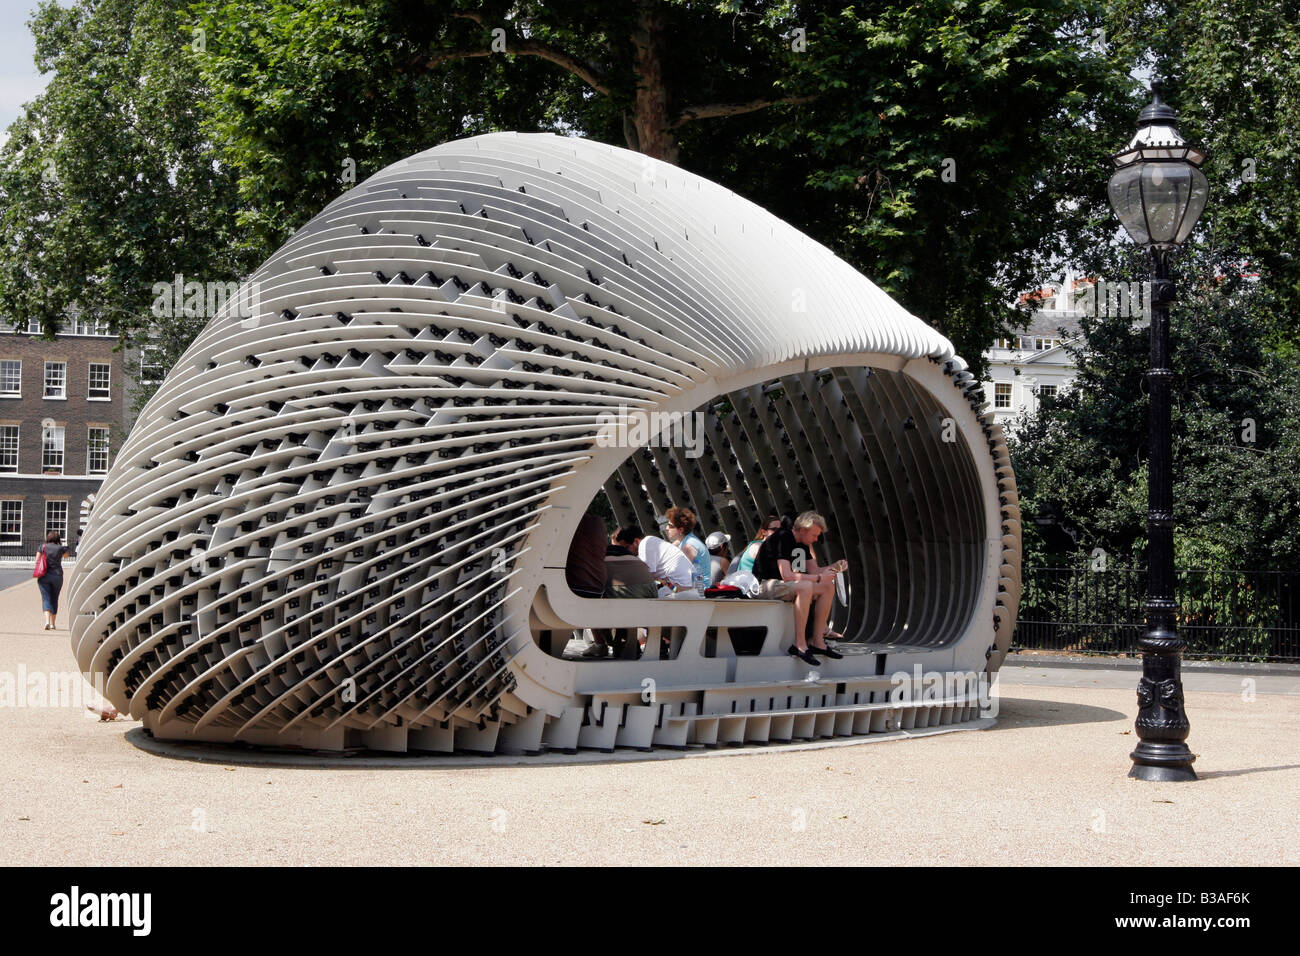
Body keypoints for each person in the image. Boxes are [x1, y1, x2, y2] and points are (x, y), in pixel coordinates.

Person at [752, 511, 849, 665]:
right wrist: (817, 578)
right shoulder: (783, 537)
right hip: (764, 585)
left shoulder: (803, 544)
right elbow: (787, 575)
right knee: (805, 586)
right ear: (802, 530)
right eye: (814, 535)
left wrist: (835, 566)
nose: (816, 539)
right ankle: (799, 643)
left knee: (827, 587)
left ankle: (817, 641)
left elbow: (815, 571)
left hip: (784, 586)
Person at [597, 525, 659, 658]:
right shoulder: (637, 560)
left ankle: (604, 645)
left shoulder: (600, 559)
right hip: (647, 593)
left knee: (599, 607)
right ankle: (650, 645)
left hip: (617, 600)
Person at [663, 506, 710, 594]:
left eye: (670, 526)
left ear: (681, 529)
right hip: (693, 589)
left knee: (664, 588)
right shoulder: (685, 540)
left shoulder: (688, 546)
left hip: (699, 593)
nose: (667, 528)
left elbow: (678, 574)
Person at [637, 533, 697, 598]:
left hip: (679, 586)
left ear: (636, 541)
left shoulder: (645, 545)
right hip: (688, 582)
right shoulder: (653, 541)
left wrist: (661, 581)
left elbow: (647, 576)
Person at [36, 531, 71, 630]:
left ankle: (46, 621)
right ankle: (52, 624)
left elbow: (37, 561)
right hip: (57, 575)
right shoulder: (60, 548)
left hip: (44, 575)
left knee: (46, 598)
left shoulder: (42, 547)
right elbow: (66, 556)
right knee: (54, 598)